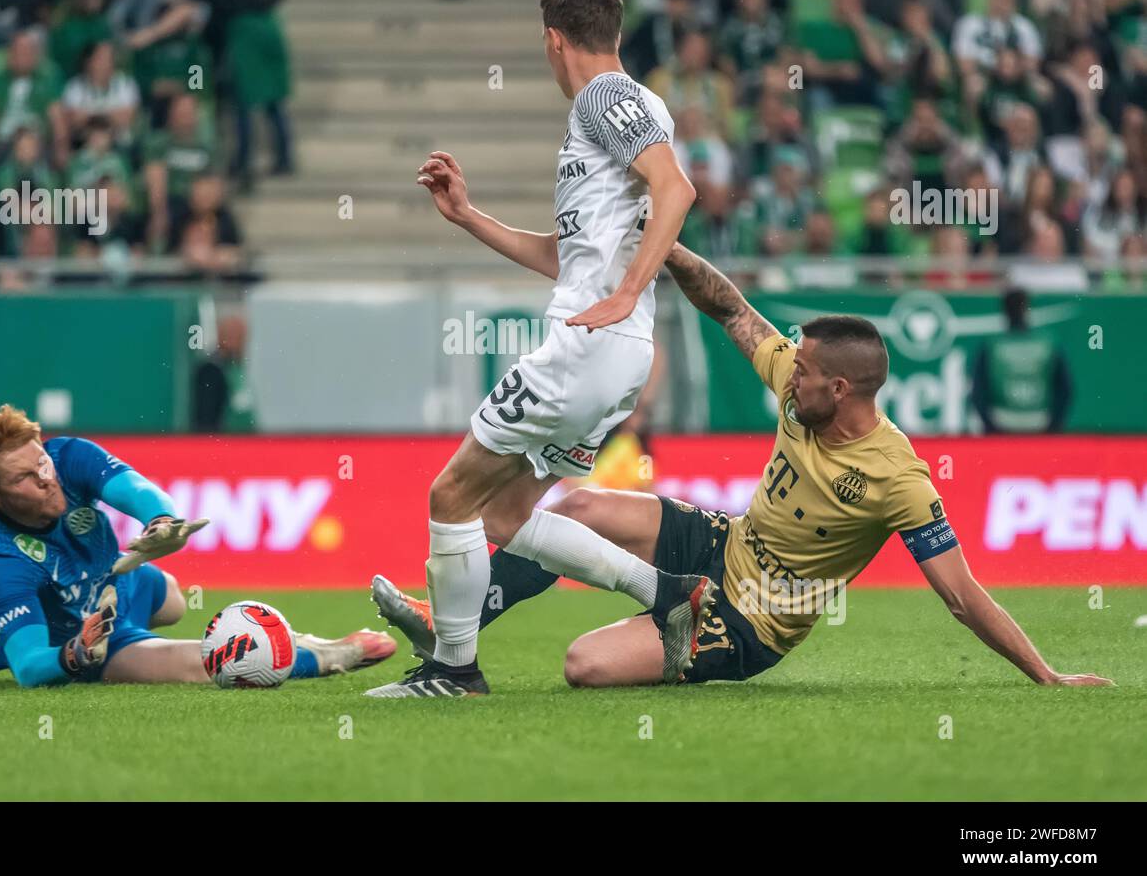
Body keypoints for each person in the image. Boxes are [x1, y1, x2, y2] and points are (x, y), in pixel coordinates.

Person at [372, 245, 1111, 690]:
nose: (790, 374)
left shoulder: (899, 479)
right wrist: (665, 247)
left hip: (751, 621)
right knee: (579, 508)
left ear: (842, 390)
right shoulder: (802, 379)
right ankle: (453, 625)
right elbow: (731, 310)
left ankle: (674, 615)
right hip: (724, 543)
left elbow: (960, 594)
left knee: (583, 665)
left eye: (807, 372)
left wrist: (1041, 671)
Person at [364, 0, 703, 699]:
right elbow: (564, 255)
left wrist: (625, 291)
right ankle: (670, 593)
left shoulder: (604, 98)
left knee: (450, 493)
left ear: (554, 41)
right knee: (506, 512)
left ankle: (453, 670)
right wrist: (469, 216)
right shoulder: (636, 110)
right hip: (615, 357)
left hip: (587, 347)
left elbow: (678, 190)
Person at [0, 405, 395, 684]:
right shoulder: (0, 557)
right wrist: (73, 654)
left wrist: (159, 519)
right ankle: (331, 655)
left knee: (172, 600)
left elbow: (138, 491)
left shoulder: (69, 457)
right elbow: (31, 672)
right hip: (93, 631)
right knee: (206, 664)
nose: (46, 480)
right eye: (24, 478)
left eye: (41, 463)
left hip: (121, 584)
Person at [971, 287, 1073, 434]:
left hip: (1002, 422)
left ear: (1004, 311)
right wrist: (1054, 425)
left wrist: (990, 426)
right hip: (1040, 421)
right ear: (1026, 309)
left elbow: (978, 392)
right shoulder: (1048, 342)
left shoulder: (991, 345)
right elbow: (1065, 389)